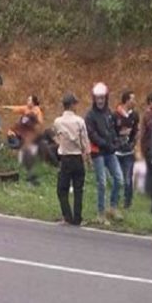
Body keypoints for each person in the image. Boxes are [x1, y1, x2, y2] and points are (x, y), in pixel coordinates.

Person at [85, 82, 124, 224]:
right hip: (98, 153)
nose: (100, 101)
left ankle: (112, 207)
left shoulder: (109, 113)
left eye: (102, 98)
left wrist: (116, 142)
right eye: (97, 98)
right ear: (94, 98)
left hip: (110, 152)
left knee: (119, 179)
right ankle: (100, 213)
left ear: (106, 98)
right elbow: (92, 135)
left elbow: (112, 130)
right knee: (101, 183)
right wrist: (106, 144)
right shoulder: (90, 115)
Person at [53, 93, 90, 226]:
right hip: (77, 157)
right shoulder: (80, 121)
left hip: (65, 158)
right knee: (78, 189)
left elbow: (56, 137)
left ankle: (67, 216)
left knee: (62, 189)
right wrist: (87, 157)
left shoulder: (58, 122)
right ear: (72, 105)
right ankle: (78, 218)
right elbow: (85, 141)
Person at [2, 95, 44, 186]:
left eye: (29, 100)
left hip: (26, 138)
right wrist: (6, 107)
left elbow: (40, 122)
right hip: (19, 136)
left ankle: (30, 177)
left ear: (33, 102)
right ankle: (30, 177)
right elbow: (16, 108)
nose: (27, 101)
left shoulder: (35, 112)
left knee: (27, 154)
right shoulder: (25, 113)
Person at [114, 90, 140, 209]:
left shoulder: (135, 115)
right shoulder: (115, 115)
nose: (134, 101)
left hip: (129, 153)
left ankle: (127, 204)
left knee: (128, 179)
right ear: (126, 100)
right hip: (116, 152)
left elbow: (135, 131)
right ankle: (114, 201)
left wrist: (133, 143)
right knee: (117, 179)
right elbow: (111, 132)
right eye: (132, 99)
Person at [139, 92, 152, 196]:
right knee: (151, 169)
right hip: (149, 147)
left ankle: (151, 189)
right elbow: (145, 132)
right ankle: (150, 190)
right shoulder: (148, 115)